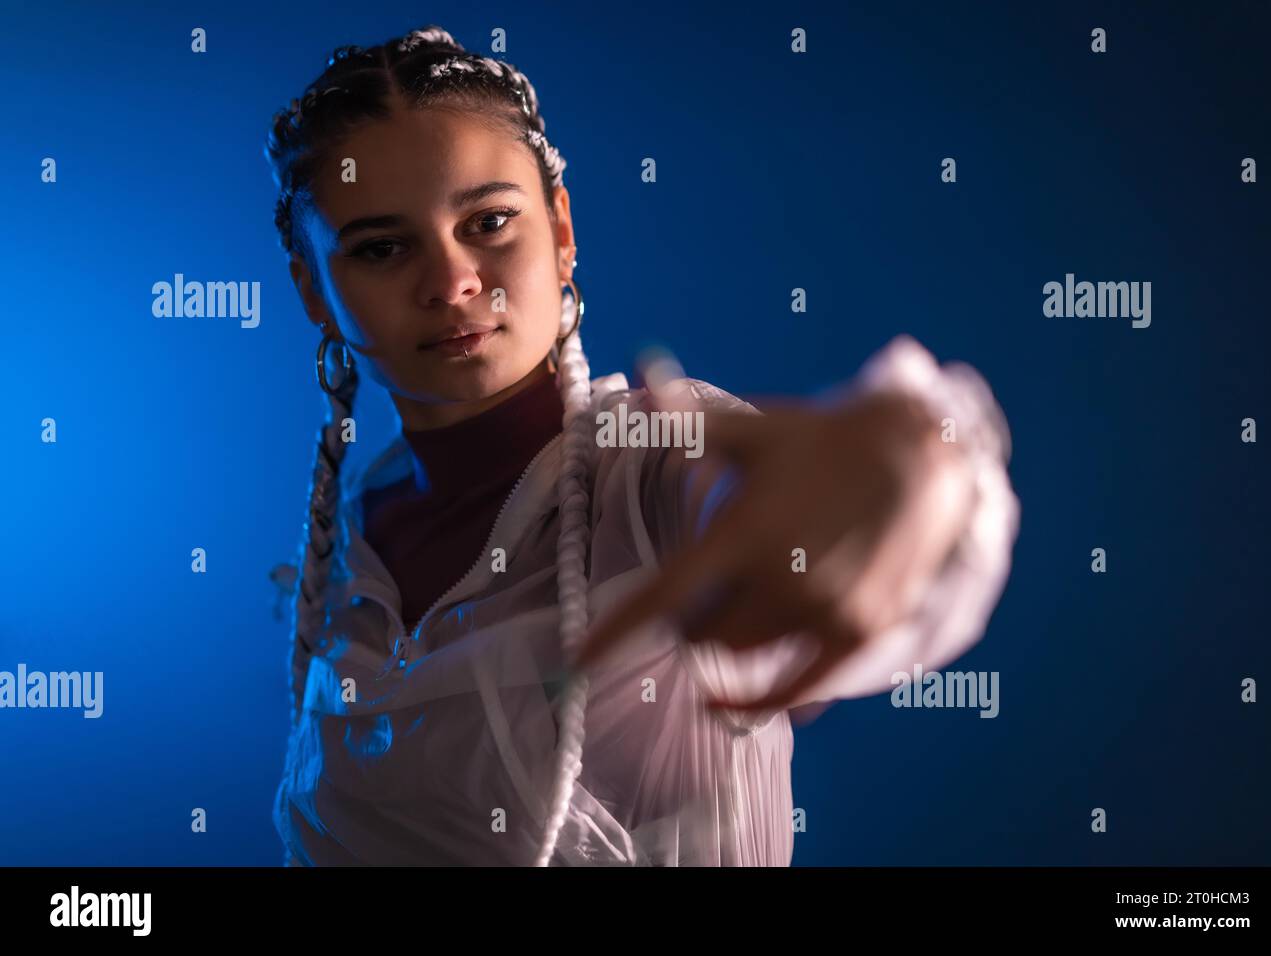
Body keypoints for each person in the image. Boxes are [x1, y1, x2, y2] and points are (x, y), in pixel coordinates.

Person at [265, 24, 1020, 866]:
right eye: (382, 247)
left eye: (488, 221)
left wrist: (907, 466)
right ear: (314, 289)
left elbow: (790, 501)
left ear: (560, 230)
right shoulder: (348, 536)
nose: (450, 283)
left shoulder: (651, 460)